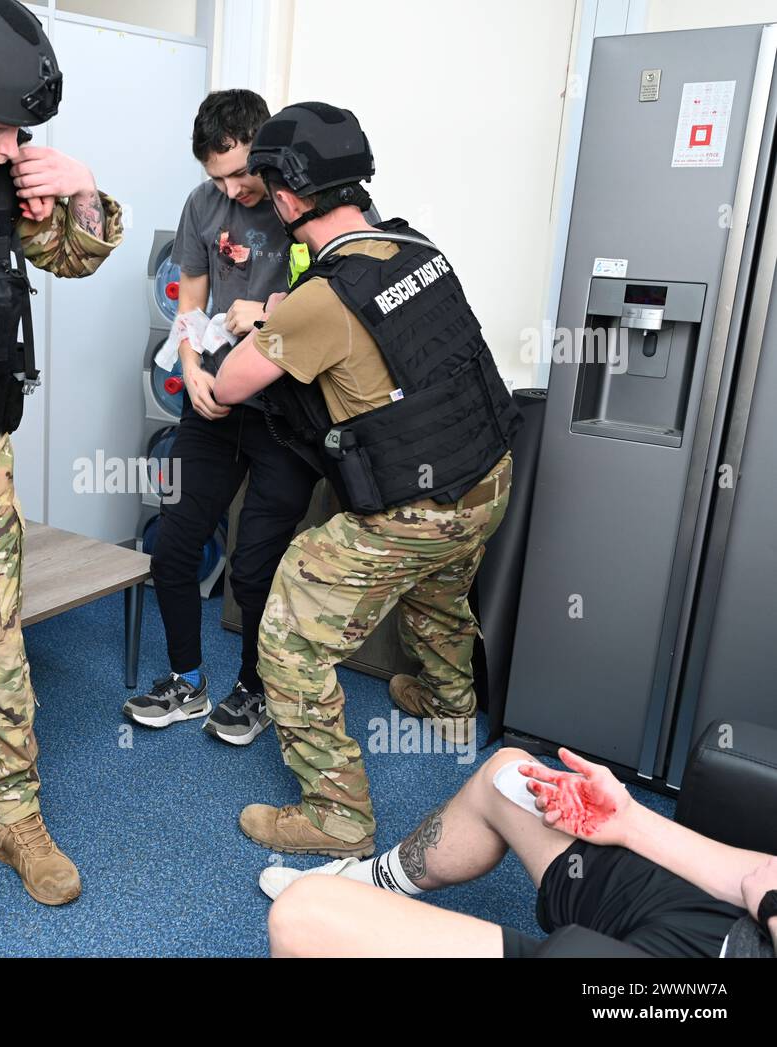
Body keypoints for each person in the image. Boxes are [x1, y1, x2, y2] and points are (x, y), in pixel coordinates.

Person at [213, 101, 520, 858]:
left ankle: (336, 813)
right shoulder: (415, 248)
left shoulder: (322, 296)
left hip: (416, 510)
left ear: (287, 197)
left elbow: (228, 386)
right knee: (439, 587)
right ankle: (450, 705)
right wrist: (294, 317)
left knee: (287, 631)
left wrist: (258, 332)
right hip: (487, 477)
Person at [123, 90, 320, 747]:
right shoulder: (203, 205)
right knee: (174, 547)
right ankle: (186, 682)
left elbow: (337, 307)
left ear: (267, 150)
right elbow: (191, 301)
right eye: (218, 178)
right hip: (210, 401)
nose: (232, 189)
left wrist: (267, 315)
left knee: (255, 567)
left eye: (242, 173)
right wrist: (189, 360)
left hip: (282, 413)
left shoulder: (305, 205)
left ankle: (255, 690)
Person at [262, 746, 777, 958]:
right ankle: (378, 878)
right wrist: (630, 822)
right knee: (509, 777)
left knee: (303, 916)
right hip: (725, 923)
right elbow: (759, 874)